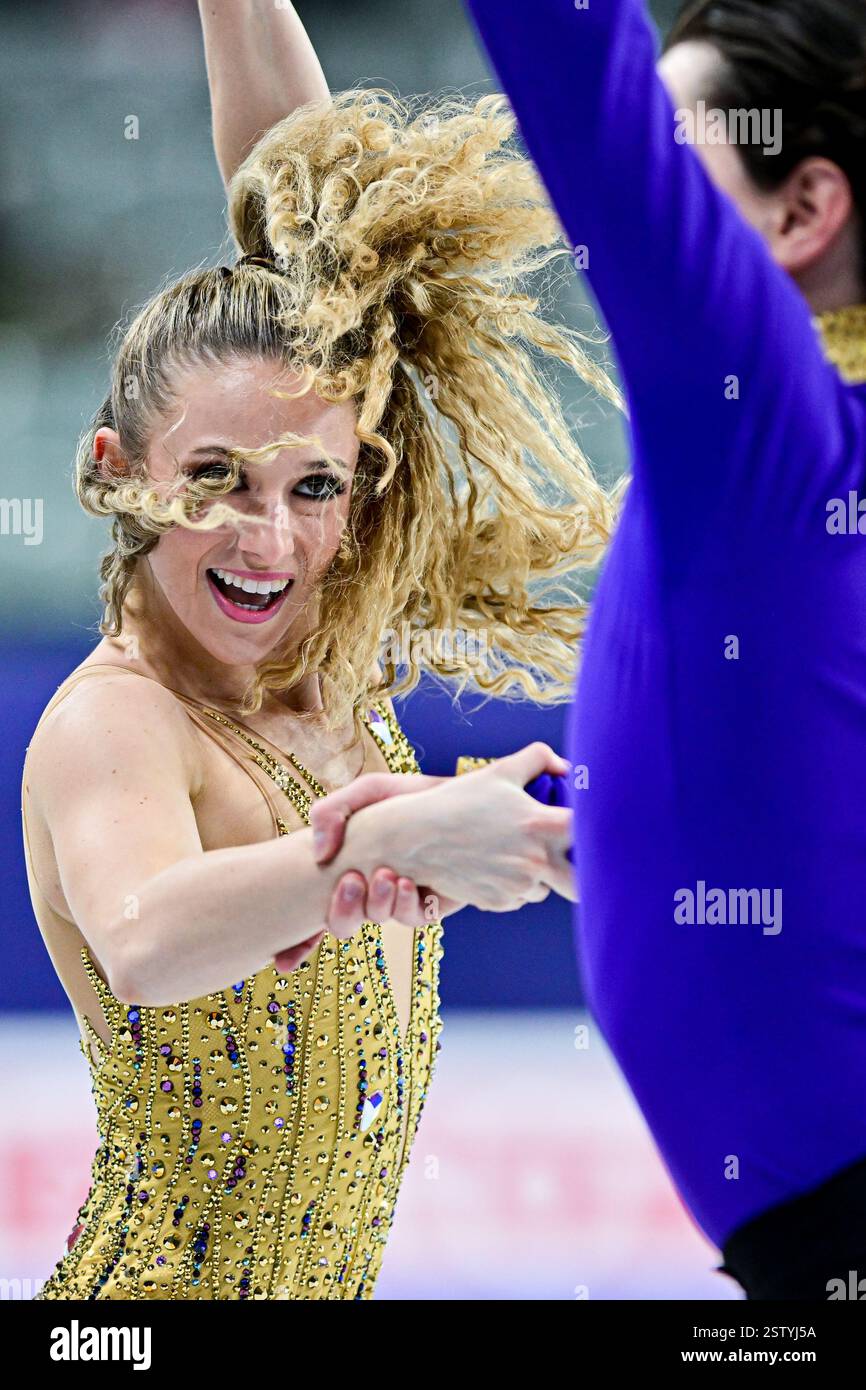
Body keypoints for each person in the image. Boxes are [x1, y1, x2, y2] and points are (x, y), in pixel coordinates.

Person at [20, 0, 615, 1300]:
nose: (268, 538)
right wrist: (390, 841)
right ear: (121, 473)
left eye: (312, 487)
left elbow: (315, 232)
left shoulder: (327, 651)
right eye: (217, 476)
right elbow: (147, 939)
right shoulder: (116, 717)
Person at [319, 0, 866, 1300]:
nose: (624, 205)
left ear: (803, 211)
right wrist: (583, 823)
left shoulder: (767, 434)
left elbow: (576, 65)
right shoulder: (794, 473)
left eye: (675, 162)